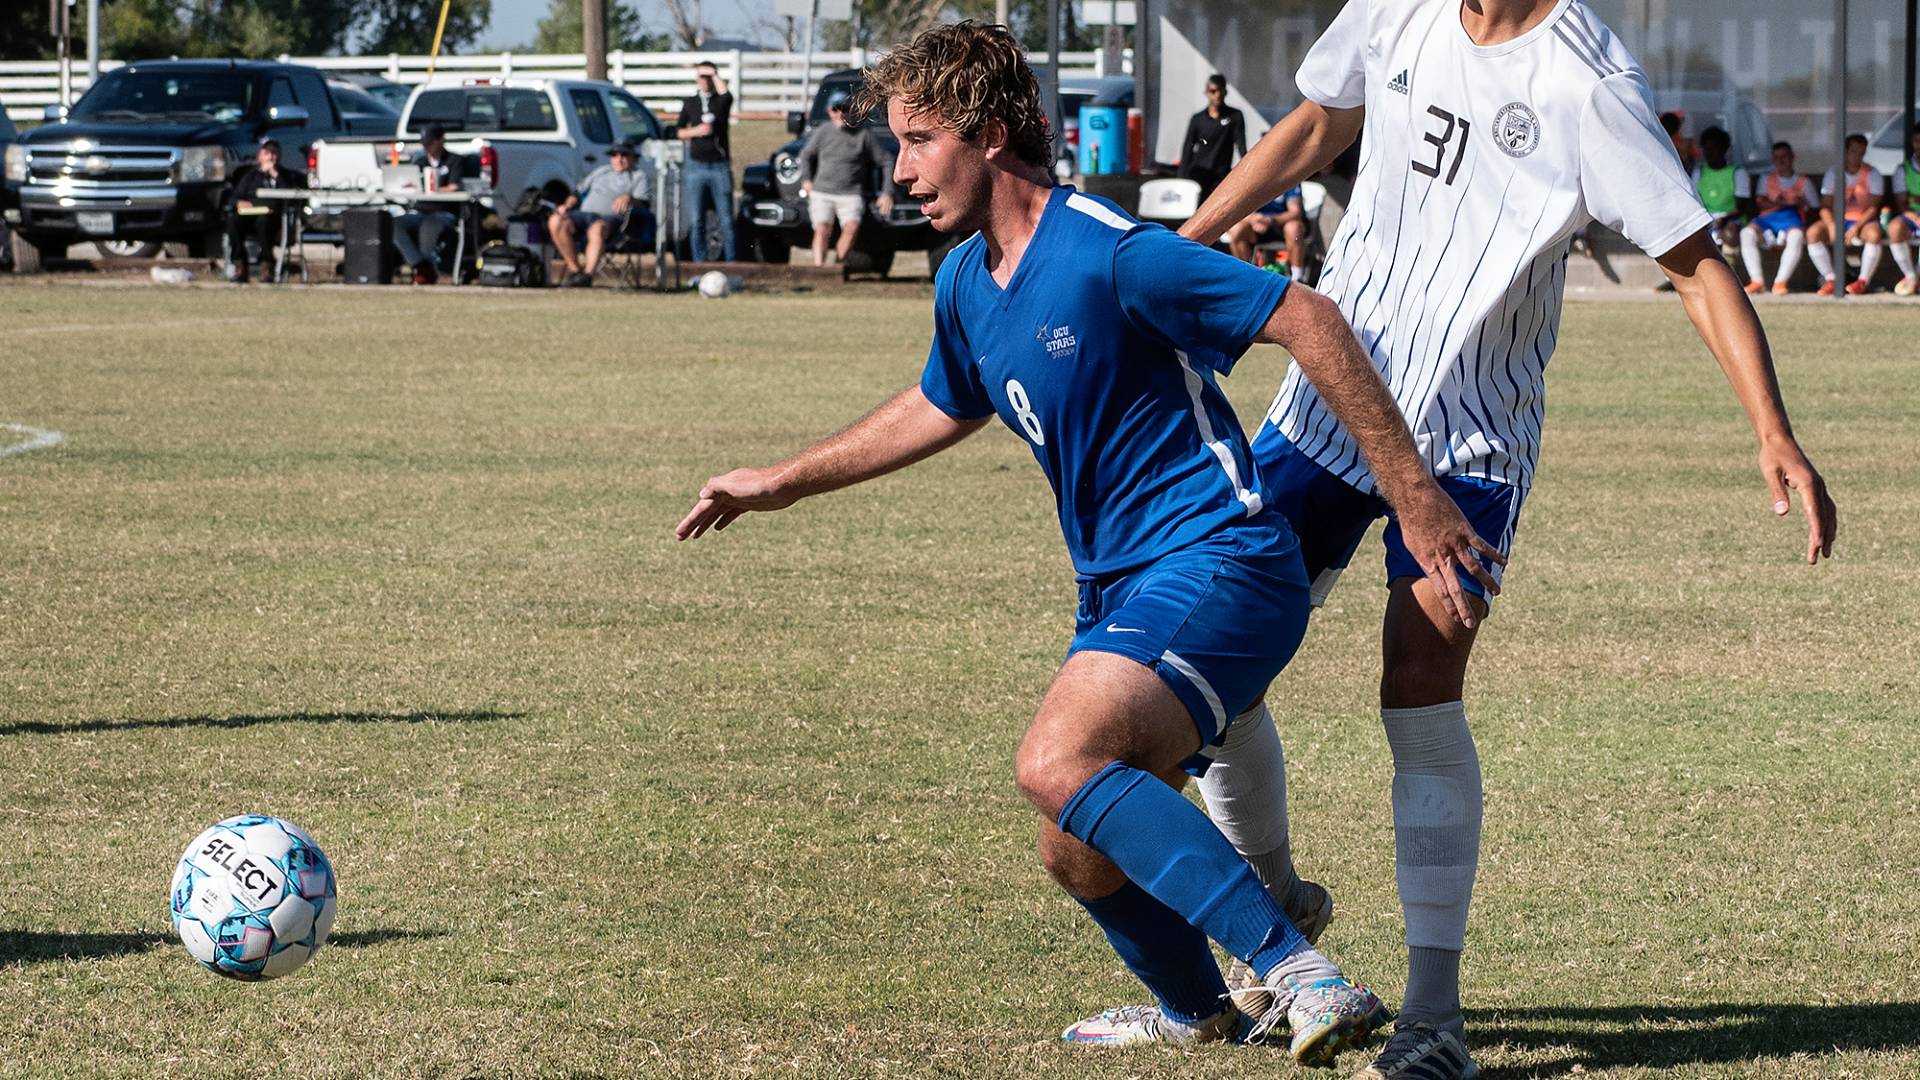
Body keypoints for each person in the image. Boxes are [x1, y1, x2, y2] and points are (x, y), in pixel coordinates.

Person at [676, 20, 1501, 1067]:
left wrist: (1414, 497)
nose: (902, 172)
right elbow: (940, 404)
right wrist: (782, 482)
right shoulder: (967, 280)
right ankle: (1202, 1010)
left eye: (919, 141)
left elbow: (1311, 318)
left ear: (989, 134)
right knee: (1073, 844)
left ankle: (1298, 970)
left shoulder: (1109, 252)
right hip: (1123, 586)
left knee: (1056, 759)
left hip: (1221, 562)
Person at [1169, 2, 1838, 1077]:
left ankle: (1434, 1019)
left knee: (1418, 688)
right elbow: (1316, 124)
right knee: (1213, 662)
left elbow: (1694, 263)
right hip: (1327, 409)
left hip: (1469, 443)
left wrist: (1773, 430)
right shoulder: (1393, 9)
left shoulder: (1589, 81)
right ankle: (1273, 908)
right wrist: (1190, 242)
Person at [799, 92, 895, 267]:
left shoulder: (864, 134)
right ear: (829, 111)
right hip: (822, 192)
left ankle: (837, 267)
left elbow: (886, 160)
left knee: (851, 227)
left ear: (851, 110)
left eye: (844, 109)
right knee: (822, 228)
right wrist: (806, 179)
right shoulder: (823, 131)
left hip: (851, 194)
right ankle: (820, 269)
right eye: (835, 109)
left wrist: (887, 192)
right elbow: (805, 155)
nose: (840, 114)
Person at [546, 141, 649, 288]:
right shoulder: (602, 171)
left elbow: (644, 203)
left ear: (633, 157)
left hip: (612, 221)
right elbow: (577, 192)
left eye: (624, 155)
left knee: (597, 228)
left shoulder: (638, 176)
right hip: (584, 215)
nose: (619, 159)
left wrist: (629, 197)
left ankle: (587, 276)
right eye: (614, 155)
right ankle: (575, 271)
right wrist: (566, 205)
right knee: (555, 221)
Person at [1807, 133, 1886, 295]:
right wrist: (1831, 226)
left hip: (1862, 221)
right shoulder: (1833, 173)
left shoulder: (1872, 173)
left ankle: (1862, 281)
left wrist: (1856, 228)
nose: (1857, 156)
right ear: (1845, 151)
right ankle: (1831, 279)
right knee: (1813, 233)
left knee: (1874, 235)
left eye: (1861, 152)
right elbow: (1825, 206)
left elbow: (1873, 208)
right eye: (1853, 152)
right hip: (1838, 220)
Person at [392, 124, 471, 285]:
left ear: (441, 140)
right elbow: (412, 185)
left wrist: (434, 190)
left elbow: (454, 187)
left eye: (430, 143)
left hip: (444, 210)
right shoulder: (420, 162)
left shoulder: (454, 161)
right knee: (395, 224)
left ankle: (428, 268)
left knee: (429, 226)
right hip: (420, 209)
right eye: (424, 144)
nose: (427, 148)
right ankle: (420, 266)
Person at [223, 137, 306, 284]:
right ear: (260, 156)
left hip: (274, 219)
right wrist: (239, 203)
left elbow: (293, 196)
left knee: (264, 221)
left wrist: (275, 174)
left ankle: (266, 266)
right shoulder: (251, 176)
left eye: (274, 153)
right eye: (267, 153)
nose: (271, 157)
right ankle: (239, 265)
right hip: (249, 217)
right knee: (233, 221)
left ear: (279, 156)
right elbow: (234, 198)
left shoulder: (288, 176)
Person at [677, 60, 736, 262]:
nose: (705, 81)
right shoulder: (690, 102)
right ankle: (699, 265)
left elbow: (728, 96)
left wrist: (714, 73)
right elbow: (678, 131)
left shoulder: (720, 102)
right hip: (696, 166)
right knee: (697, 220)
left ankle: (732, 265)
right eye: (701, 76)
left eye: (708, 77)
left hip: (720, 166)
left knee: (726, 220)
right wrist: (696, 131)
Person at [1740, 141, 1814, 294]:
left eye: (1784, 156)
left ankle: (1780, 282)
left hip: (1791, 221)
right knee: (1746, 233)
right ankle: (1757, 281)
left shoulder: (1804, 182)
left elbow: (1815, 207)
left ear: (1792, 157)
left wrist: (1798, 205)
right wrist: (1784, 202)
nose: (1780, 161)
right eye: (1776, 157)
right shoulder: (1766, 178)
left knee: (1796, 236)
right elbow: (1760, 201)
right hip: (1767, 221)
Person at [1178, 74, 1248, 200]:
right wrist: (1182, 180)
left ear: (1225, 92)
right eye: (1213, 91)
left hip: (1221, 178)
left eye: (1220, 90)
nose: (1217, 95)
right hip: (1199, 176)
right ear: (1206, 92)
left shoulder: (1235, 116)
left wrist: (1247, 171)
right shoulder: (1197, 119)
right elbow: (1187, 149)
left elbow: (1241, 147)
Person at [1690, 126, 1748, 254]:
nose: (1709, 153)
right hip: (1706, 220)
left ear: (1724, 149)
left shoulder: (1738, 173)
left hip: (1730, 219)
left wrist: (1724, 219)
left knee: (1730, 234)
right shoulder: (1699, 172)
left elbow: (1742, 207)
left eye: (1713, 148)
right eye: (1706, 149)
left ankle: (1729, 264)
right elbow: (1693, 202)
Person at [1228, 185, 1310, 271]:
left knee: (1293, 228)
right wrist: (1253, 219)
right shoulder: (1250, 181)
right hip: (1258, 227)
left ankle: (1297, 275)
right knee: (1237, 229)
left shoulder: (1289, 180)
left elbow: (1295, 212)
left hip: (1282, 224)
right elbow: (1238, 210)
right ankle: (1246, 274)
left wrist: (1270, 220)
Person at [1888, 125, 1920, 296]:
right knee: (1894, 228)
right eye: (1917, 141)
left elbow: (1910, 198)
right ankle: (1910, 276)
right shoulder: (1902, 169)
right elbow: (1902, 203)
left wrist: (1914, 198)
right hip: (1911, 215)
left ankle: (1917, 278)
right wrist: (1915, 217)